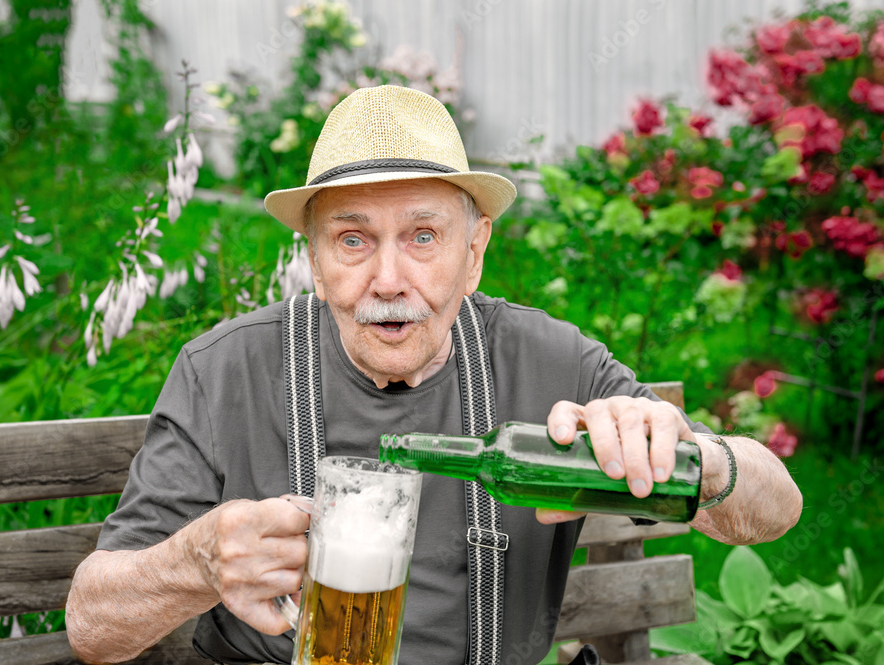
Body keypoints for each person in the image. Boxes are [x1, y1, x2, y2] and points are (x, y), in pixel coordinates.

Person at [65, 85, 802, 665]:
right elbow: (92, 626)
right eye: (352, 239)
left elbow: (776, 508)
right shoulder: (223, 370)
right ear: (314, 260)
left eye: (423, 236)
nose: (389, 279)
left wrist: (700, 461)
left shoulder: (553, 361)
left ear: (473, 252)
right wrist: (195, 562)